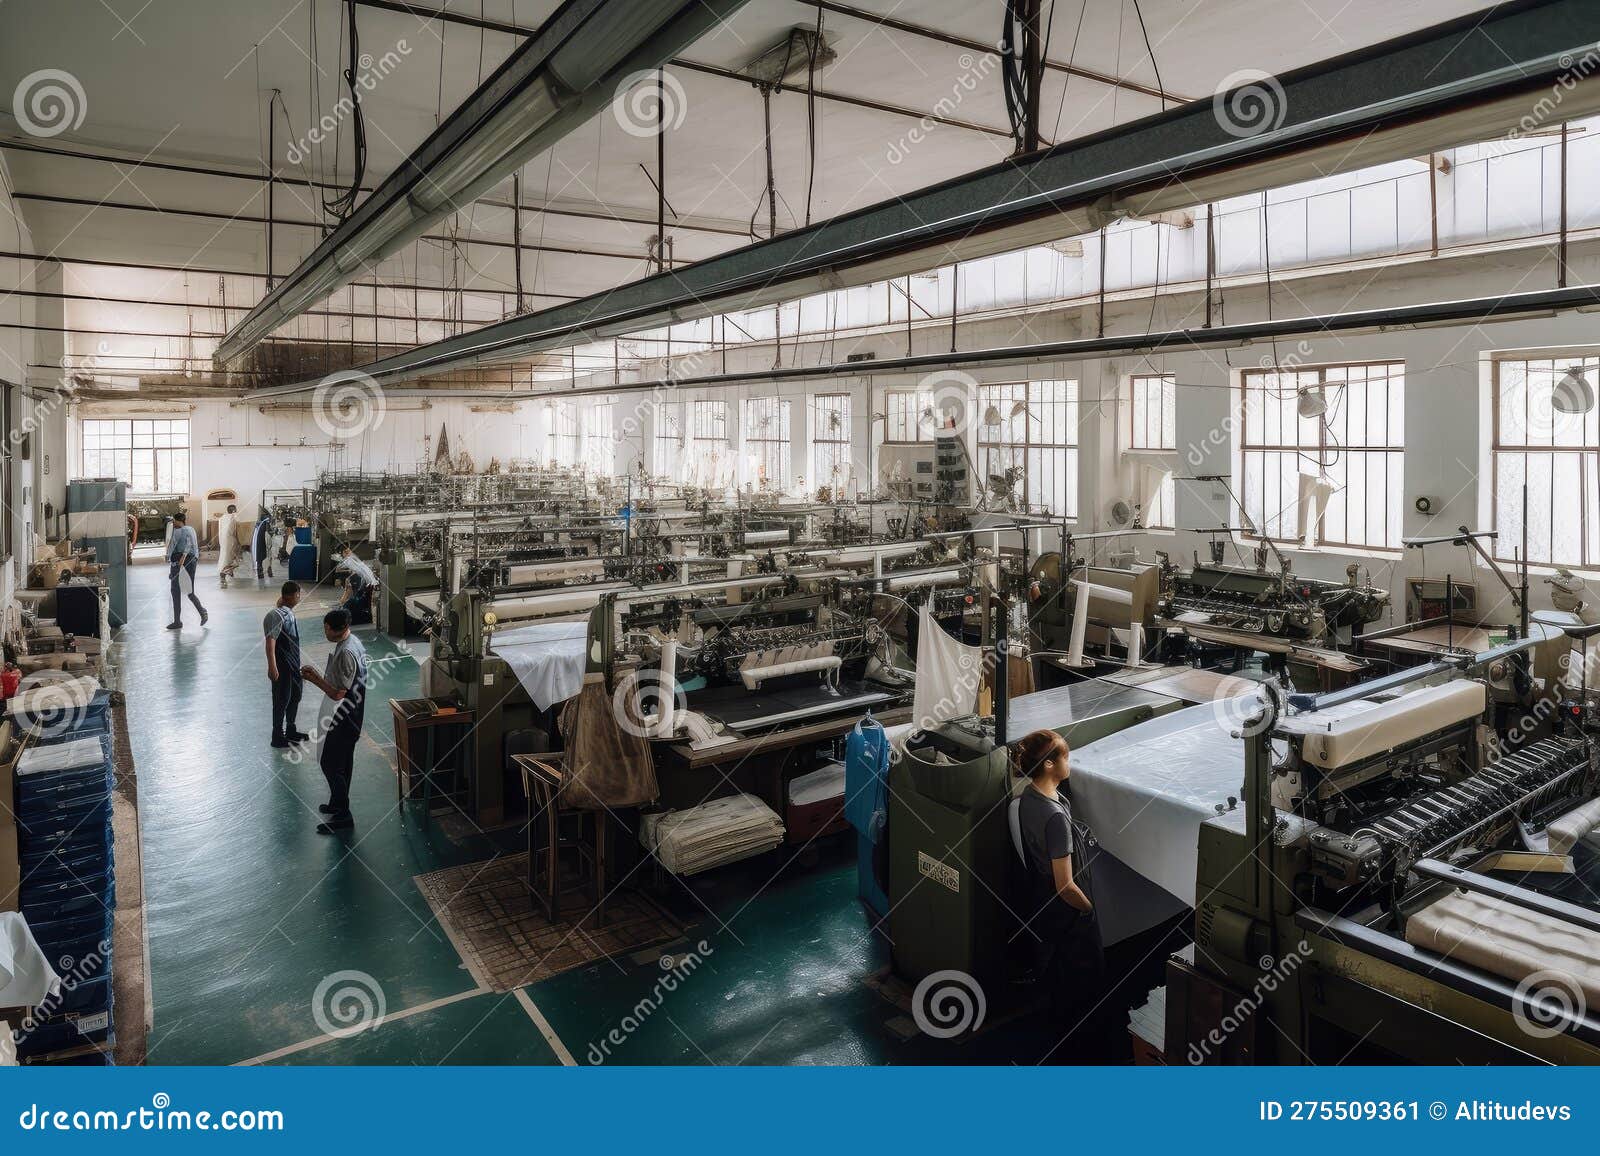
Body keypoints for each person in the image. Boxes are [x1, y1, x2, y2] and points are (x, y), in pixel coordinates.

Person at [1011, 729, 1103, 1023]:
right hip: (1066, 912)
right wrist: (1087, 909)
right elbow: (1065, 886)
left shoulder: (1030, 797)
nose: (1069, 763)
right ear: (1050, 764)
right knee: (1080, 984)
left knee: (1055, 975)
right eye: (1066, 757)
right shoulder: (1056, 819)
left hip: (1043, 903)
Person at [301, 608, 369, 835]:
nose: (325, 632)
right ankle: (337, 803)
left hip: (343, 716)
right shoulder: (353, 642)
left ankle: (344, 815)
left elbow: (338, 693)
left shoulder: (346, 652)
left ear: (337, 629)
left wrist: (314, 678)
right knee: (343, 762)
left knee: (330, 763)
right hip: (353, 713)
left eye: (326, 628)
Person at [264, 580, 309, 749]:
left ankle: (291, 730)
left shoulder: (287, 611)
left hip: (293, 664)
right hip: (282, 666)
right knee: (281, 700)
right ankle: (277, 736)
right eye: (298, 594)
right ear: (294, 595)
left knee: (295, 696)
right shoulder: (275, 615)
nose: (299, 597)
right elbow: (270, 642)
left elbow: (281, 602)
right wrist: (272, 666)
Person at [166, 511, 208, 630]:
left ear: (178, 521)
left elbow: (185, 545)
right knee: (188, 591)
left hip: (182, 560)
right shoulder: (191, 529)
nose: (173, 523)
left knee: (176, 590)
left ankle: (178, 621)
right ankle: (201, 613)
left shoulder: (181, 530)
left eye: (174, 521)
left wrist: (182, 558)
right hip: (190, 560)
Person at [332, 544, 377, 624]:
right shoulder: (352, 558)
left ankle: (345, 610)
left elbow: (338, 569)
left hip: (366, 582)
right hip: (369, 581)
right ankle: (369, 616)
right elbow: (357, 570)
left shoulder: (348, 560)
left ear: (343, 552)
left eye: (342, 553)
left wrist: (348, 577)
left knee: (357, 597)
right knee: (366, 599)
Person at [217, 504, 243, 587]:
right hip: (231, 541)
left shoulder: (222, 517)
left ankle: (228, 573)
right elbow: (238, 529)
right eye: (236, 510)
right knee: (233, 560)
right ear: (234, 511)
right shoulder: (234, 516)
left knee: (225, 558)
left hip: (223, 541)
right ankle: (223, 576)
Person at [252, 509, 277, 580]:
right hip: (264, 542)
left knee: (260, 557)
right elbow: (269, 531)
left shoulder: (259, 523)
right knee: (266, 556)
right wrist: (272, 532)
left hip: (260, 542)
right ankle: (266, 572)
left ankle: (262, 573)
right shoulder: (265, 521)